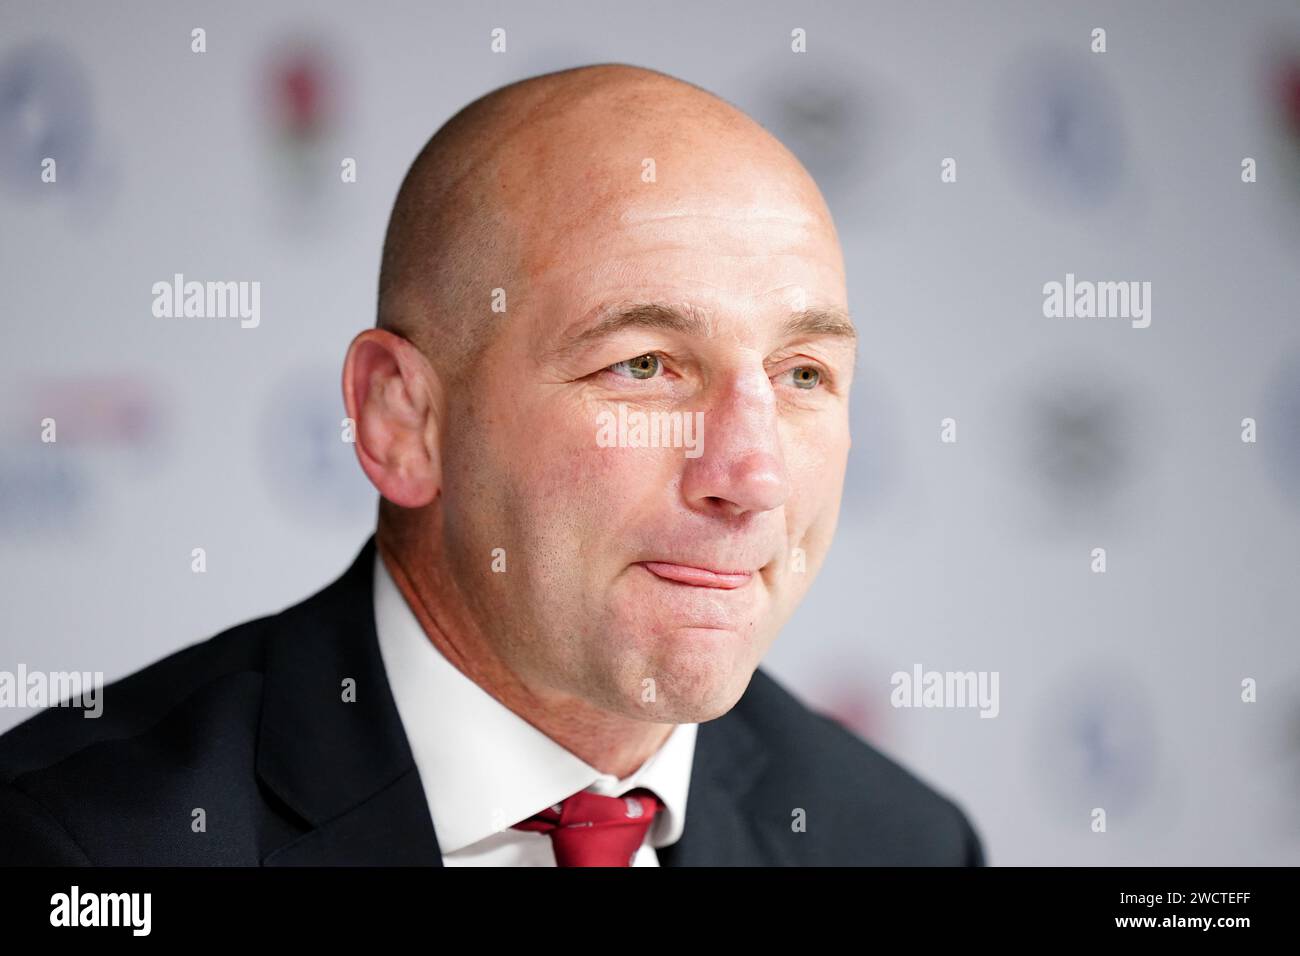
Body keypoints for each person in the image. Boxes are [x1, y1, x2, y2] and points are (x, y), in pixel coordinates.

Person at [0, 63, 984, 866]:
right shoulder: (74, 845)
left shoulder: (901, 843)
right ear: (403, 419)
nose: (752, 474)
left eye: (803, 373)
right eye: (644, 365)